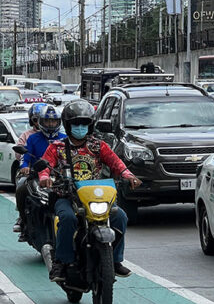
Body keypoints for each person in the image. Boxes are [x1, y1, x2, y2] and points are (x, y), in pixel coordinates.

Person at [39, 99, 141, 282]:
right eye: (76, 124)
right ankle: (62, 263)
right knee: (68, 219)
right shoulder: (57, 147)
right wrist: (45, 178)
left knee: (120, 217)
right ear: (69, 126)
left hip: (96, 196)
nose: (80, 127)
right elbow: (45, 167)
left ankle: (115, 260)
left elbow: (116, 163)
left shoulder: (98, 145)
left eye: (84, 124)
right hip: (67, 196)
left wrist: (129, 176)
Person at [14, 105, 66, 241]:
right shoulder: (32, 138)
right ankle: (23, 221)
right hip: (36, 176)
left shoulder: (64, 139)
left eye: (53, 121)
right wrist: (25, 167)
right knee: (21, 187)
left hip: (60, 177)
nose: (50, 124)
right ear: (41, 122)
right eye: (47, 121)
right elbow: (25, 157)